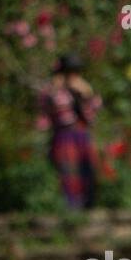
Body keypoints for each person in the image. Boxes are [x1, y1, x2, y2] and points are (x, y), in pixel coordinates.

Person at [39, 54, 102, 210]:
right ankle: (71, 207)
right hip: (64, 134)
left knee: (87, 170)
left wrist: (86, 94)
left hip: (81, 134)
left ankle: (88, 204)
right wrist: (59, 88)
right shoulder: (52, 91)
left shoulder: (82, 90)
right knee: (67, 171)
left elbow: (93, 115)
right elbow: (55, 111)